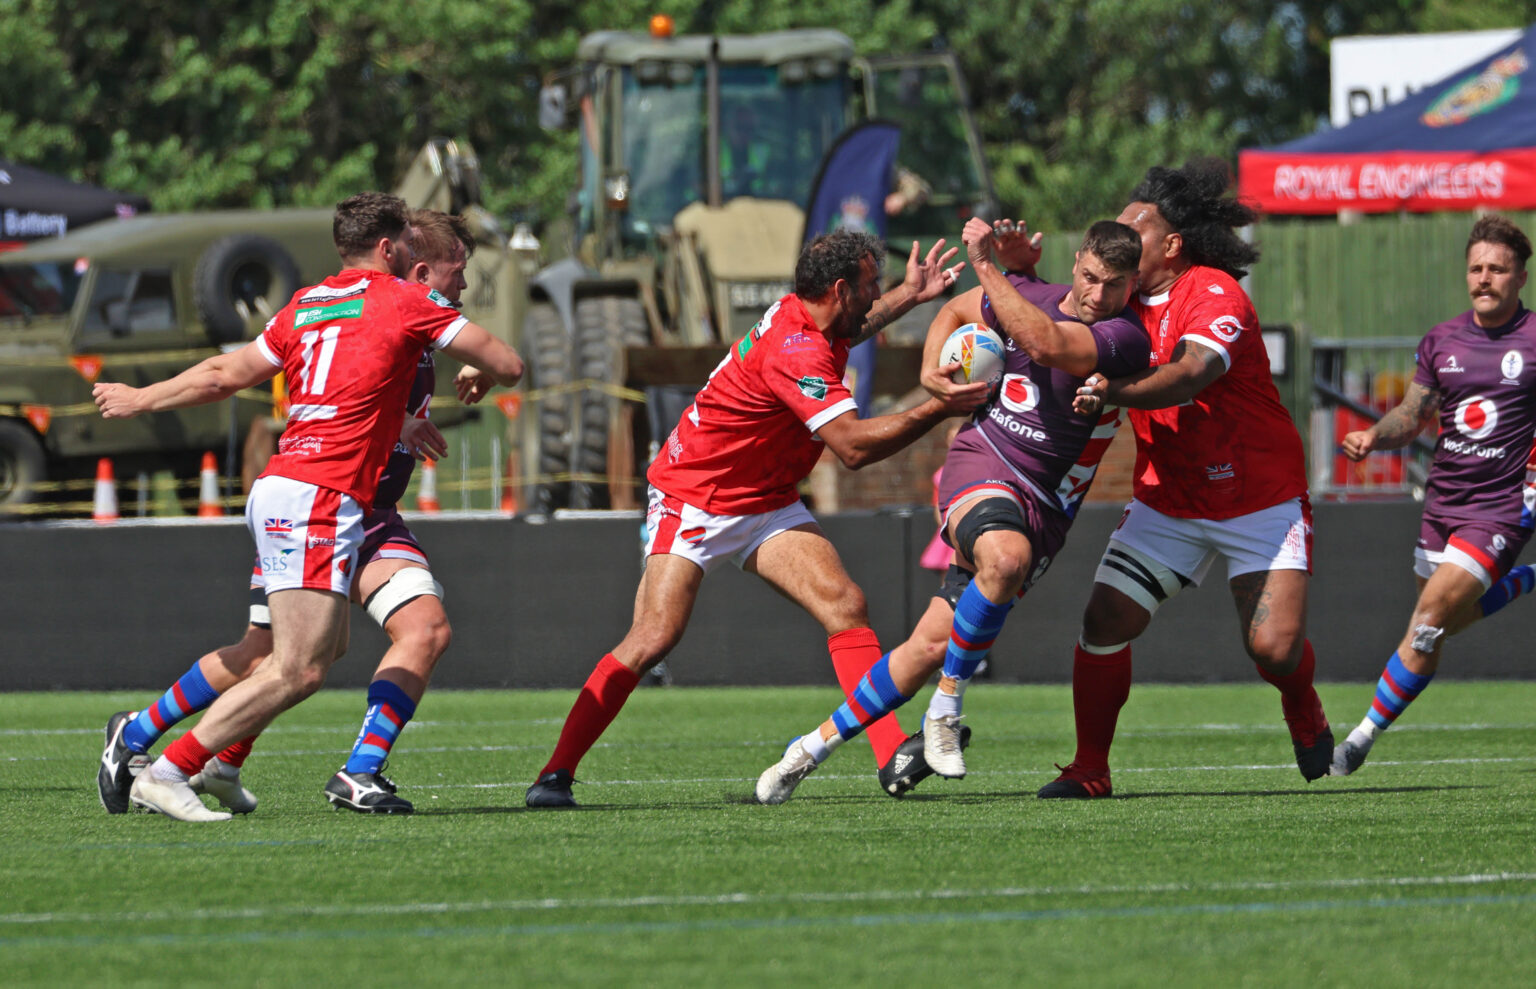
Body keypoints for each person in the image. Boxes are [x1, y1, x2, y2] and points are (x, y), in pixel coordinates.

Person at [93, 192, 524, 822]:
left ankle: (318, 768)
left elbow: (242, 374)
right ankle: (163, 761)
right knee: (287, 663)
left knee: (390, 635)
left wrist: (141, 398)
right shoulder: (410, 305)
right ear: (405, 259)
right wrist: (464, 384)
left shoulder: (314, 303)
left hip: (343, 502)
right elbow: (505, 361)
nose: (463, 279)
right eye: (456, 267)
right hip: (326, 498)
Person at [524, 230, 985, 808]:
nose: (874, 297)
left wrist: (908, 296)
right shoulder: (797, 348)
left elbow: (855, 326)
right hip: (695, 494)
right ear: (839, 289)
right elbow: (853, 447)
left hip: (765, 498)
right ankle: (554, 774)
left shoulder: (816, 318)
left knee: (845, 606)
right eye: (870, 287)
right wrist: (941, 406)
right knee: (653, 636)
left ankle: (891, 755)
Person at [756, 217, 1150, 804]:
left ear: (1131, 284)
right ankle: (944, 713)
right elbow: (958, 310)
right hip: (982, 462)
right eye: (1091, 278)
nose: (1099, 295)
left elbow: (1044, 341)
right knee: (1006, 556)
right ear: (1076, 265)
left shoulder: (1126, 336)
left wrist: (992, 265)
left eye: (1114, 284)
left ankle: (807, 750)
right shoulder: (1029, 295)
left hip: (1046, 507)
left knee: (928, 647)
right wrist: (928, 373)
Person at [1028, 159, 1332, 799]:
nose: (1122, 228)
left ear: (1170, 245)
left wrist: (1115, 388)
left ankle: (1302, 706)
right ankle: (1090, 770)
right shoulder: (1121, 296)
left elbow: (1193, 372)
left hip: (1259, 496)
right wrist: (1016, 273)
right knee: (1104, 620)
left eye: (1136, 224)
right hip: (1170, 497)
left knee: (1273, 651)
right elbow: (1053, 322)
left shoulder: (1214, 291)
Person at [1331, 215, 1536, 775]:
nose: (1484, 279)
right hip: (1442, 505)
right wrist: (1375, 435)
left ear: (1521, 275)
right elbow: (1412, 415)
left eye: (1497, 269)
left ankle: (1359, 739)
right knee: (1443, 621)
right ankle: (1522, 581)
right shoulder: (1441, 340)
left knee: (1427, 618)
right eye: (1476, 269)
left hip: (1501, 510)